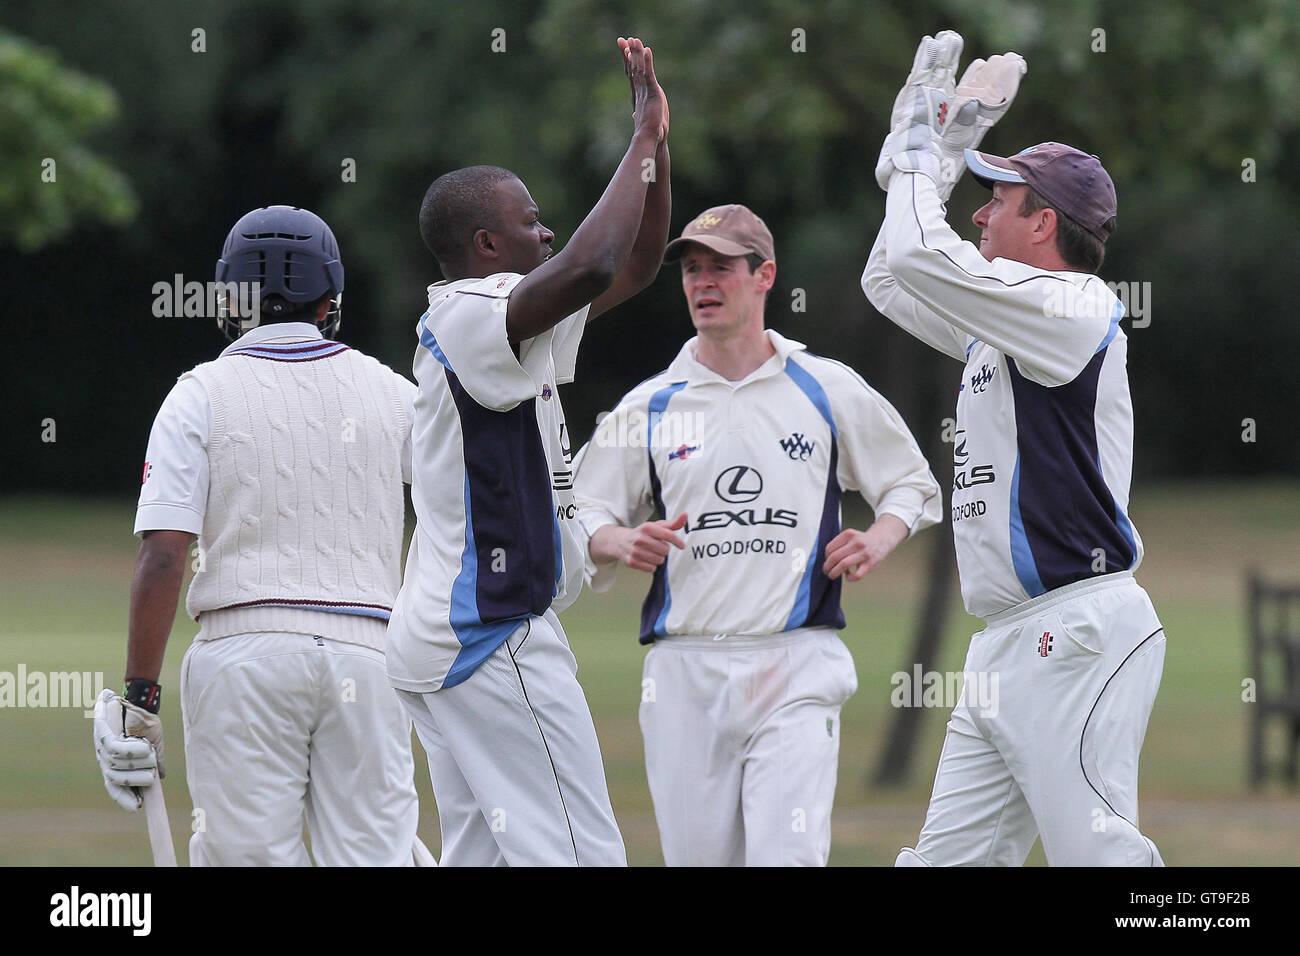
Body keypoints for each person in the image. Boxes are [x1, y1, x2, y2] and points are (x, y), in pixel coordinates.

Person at [866, 31, 1166, 866]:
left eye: (998, 197)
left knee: (1101, 855)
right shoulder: (1006, 323)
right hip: (1007, 641)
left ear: (1045, 222)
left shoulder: (1069, 306)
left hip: (1074, 632)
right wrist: (935, 154)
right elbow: (889, 277)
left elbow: (922, 255)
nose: (979, 210)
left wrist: (926, 159)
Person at [571, 203, 942, 866]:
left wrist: (878, 538)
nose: (702, 283)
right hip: (684, 675)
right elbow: (579, 509)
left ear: (764, 274)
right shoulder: (650, 404)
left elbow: (911, 485)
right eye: (691, 269)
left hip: (795, 663)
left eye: (721, 268)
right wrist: (616, 541)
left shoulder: (824, 387)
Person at [384, 36, 670, 866]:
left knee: (490, 854)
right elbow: (591, 262)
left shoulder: (508, 318)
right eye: (528, 220)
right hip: (490, 629)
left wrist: (659, 147)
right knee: (580, 854)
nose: (545, 231)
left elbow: (637, 262)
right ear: (483, 245)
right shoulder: (473, 314)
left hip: (451, 634)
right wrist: (638, 143)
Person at [92, 204, 431, 866]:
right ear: (331, 298)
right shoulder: (395, 394)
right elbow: (462, 514)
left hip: (241, 658)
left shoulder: (198, 394)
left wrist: (140, 698)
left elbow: (165, 555)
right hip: (370, 657)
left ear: (227, 297)